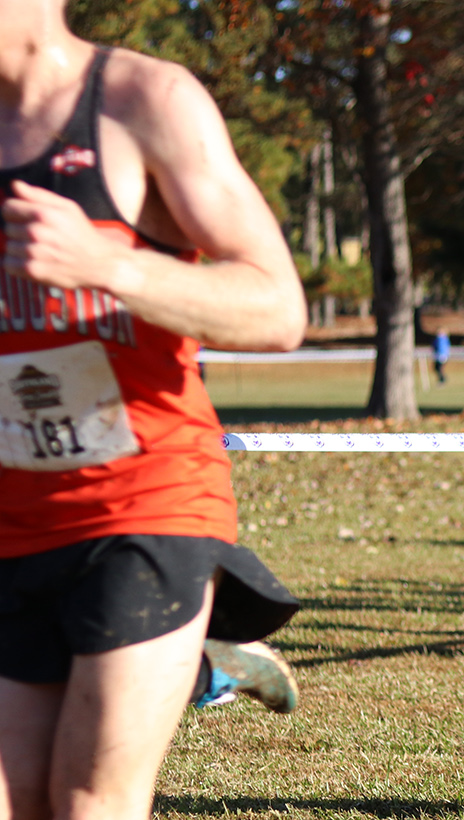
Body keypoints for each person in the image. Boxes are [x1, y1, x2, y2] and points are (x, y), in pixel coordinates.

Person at [0, 8, 306, 819]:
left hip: (143, 504)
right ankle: (198, 663)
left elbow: (277, 307)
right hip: (11, 517)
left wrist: (108, 264)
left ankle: (184, 657)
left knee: (87, 801)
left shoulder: (142, 101)